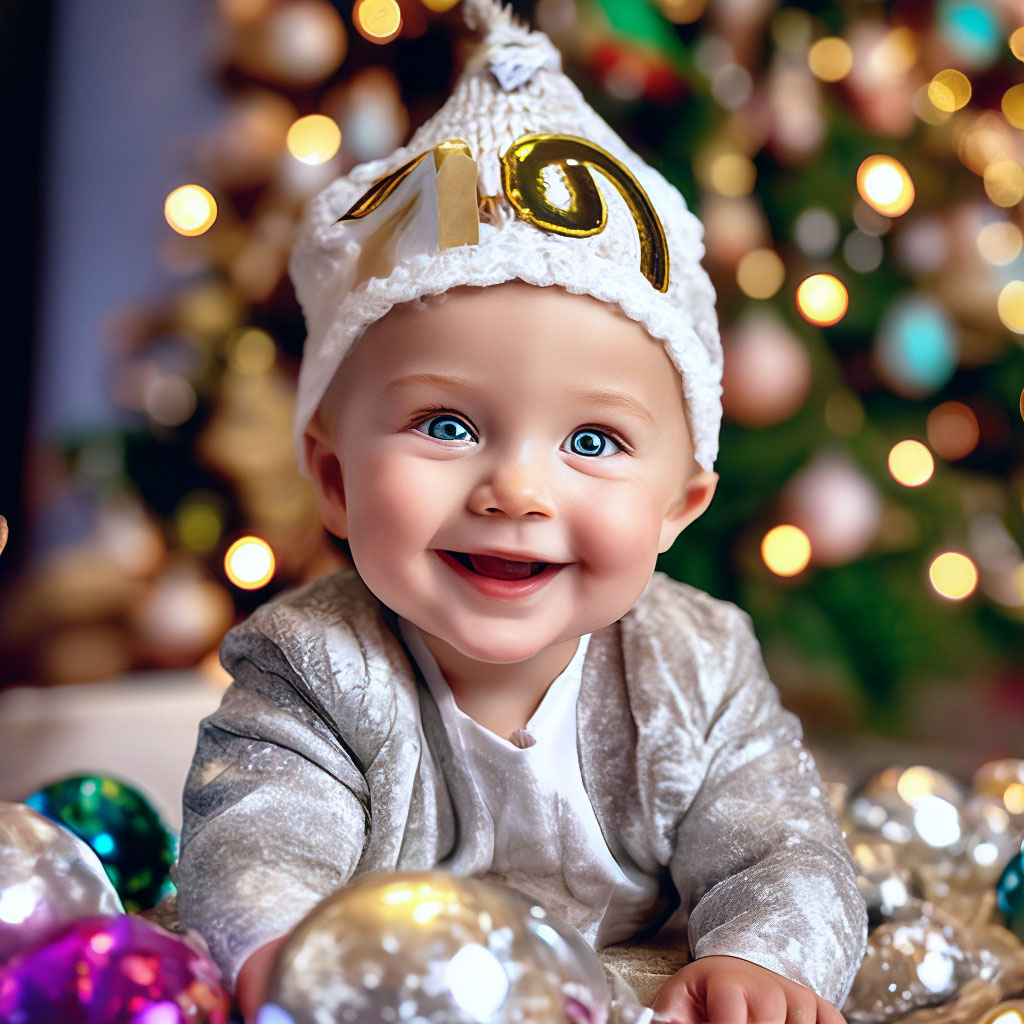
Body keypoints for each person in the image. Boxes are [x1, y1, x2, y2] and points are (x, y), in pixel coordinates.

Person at [175, 2, 867, 1021]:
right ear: (331, 477)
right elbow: (256, 840)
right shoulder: (312, 664)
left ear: (679, 506)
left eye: (592, 441)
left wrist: (768, 959)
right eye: (445, 424)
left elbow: (781, 847)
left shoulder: (696, 665)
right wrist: (287, 953)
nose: (515, 490)